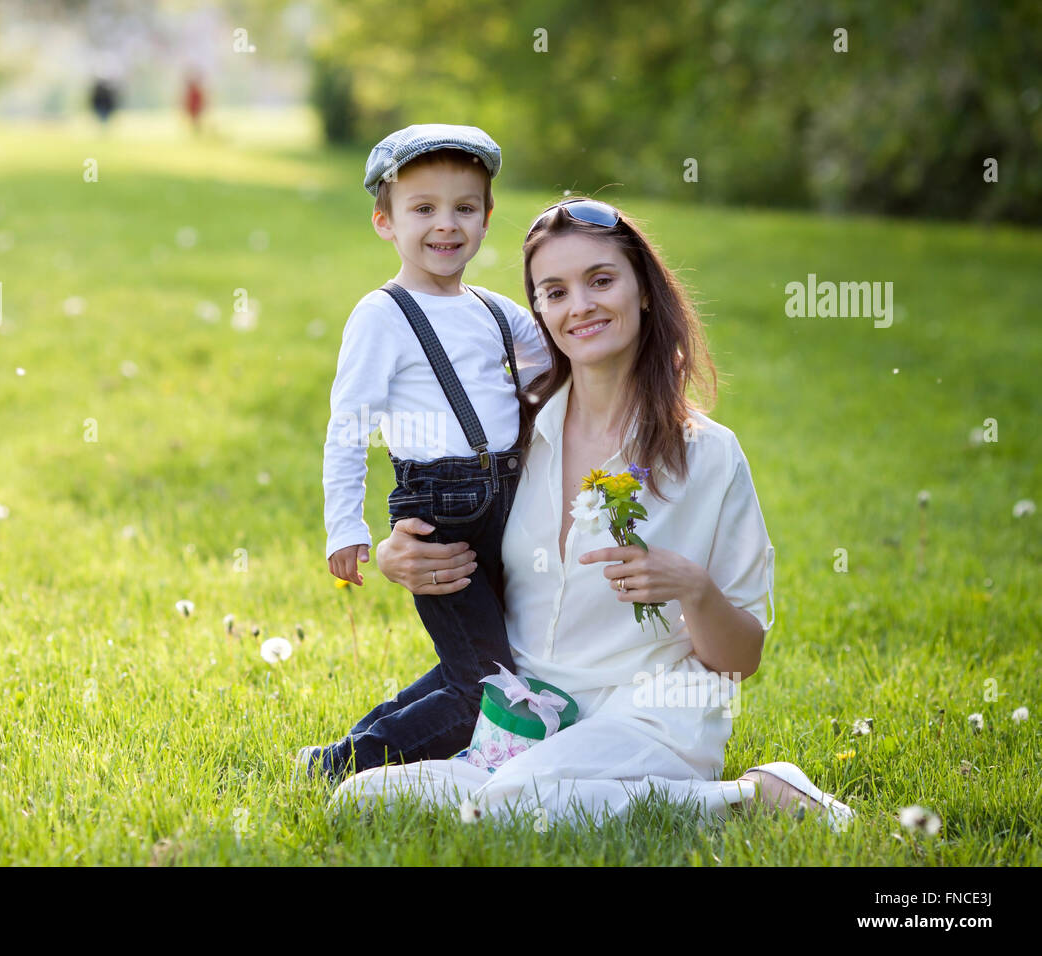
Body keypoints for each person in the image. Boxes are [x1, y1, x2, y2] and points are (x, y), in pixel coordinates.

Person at [328, 198, 855, 832]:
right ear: (540, 311)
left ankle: (752, 794)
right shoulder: (513, 433)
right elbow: (447, 524)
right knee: (360, 799)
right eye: (555, 291)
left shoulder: (708, 455)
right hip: (529, 712)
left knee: (516, 801)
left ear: (645, 293)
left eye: (601, 280)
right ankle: (539, 786)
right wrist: (395, 554)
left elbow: (741, 657)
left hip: (652, 713)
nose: (579, 305)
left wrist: (691, 586)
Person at [303, 124, 552, 781]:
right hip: (440, 511)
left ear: (488, 217)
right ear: (384, 221)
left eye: (464, 208)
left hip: (508, 500)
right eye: (424, 209)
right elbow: (348, 426)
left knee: (481, 659)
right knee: (484, 689)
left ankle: (357, 738)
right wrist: (346, 525)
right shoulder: (382, 313)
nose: (447, 225)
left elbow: (562, 372)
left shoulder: (500, 314)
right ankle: (343, 765)